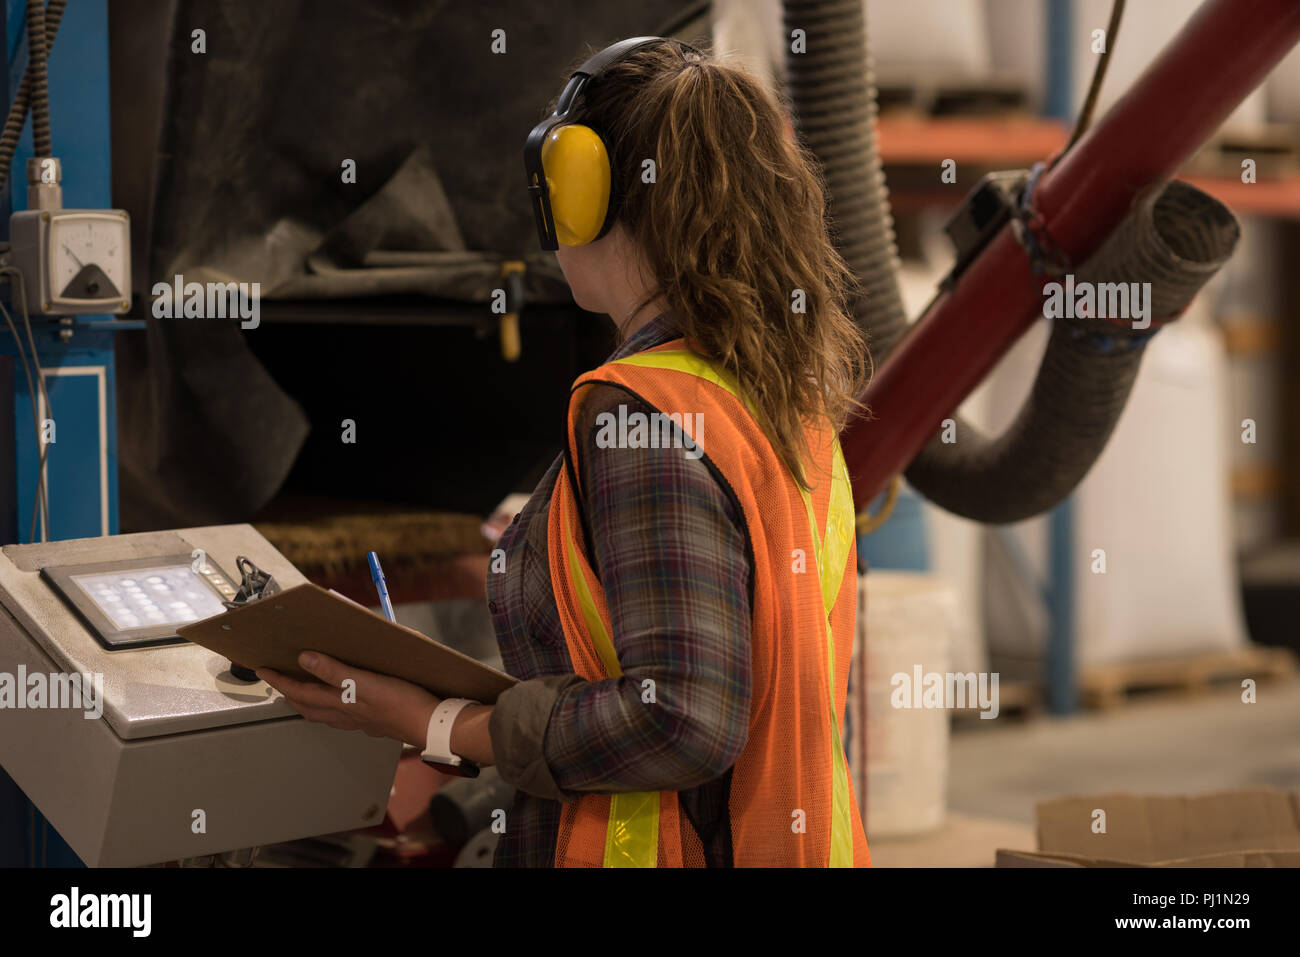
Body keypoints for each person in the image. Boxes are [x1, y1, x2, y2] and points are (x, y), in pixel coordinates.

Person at [259, 36, 872, 868]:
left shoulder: (645, 411)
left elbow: (681, 719)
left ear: (578, 190)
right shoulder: (783, 394)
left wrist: (434, 723)